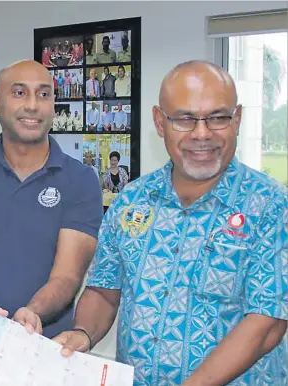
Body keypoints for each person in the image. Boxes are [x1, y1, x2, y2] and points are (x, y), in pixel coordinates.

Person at [54, 60, 288, 385]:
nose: (202, 134)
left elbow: (267, 322)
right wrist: (83, 333)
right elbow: (104, 290)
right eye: (185, 119)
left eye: (218, 117)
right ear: (160, 122)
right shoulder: (130, 201)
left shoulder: (270, 204)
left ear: (237, 119)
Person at [0, 60, 103, 338]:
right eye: (19, 93)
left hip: (45, 343)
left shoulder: (82, 180)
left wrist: (33, 311)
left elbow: (67, 275)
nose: (33, 105)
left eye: (44, 94)